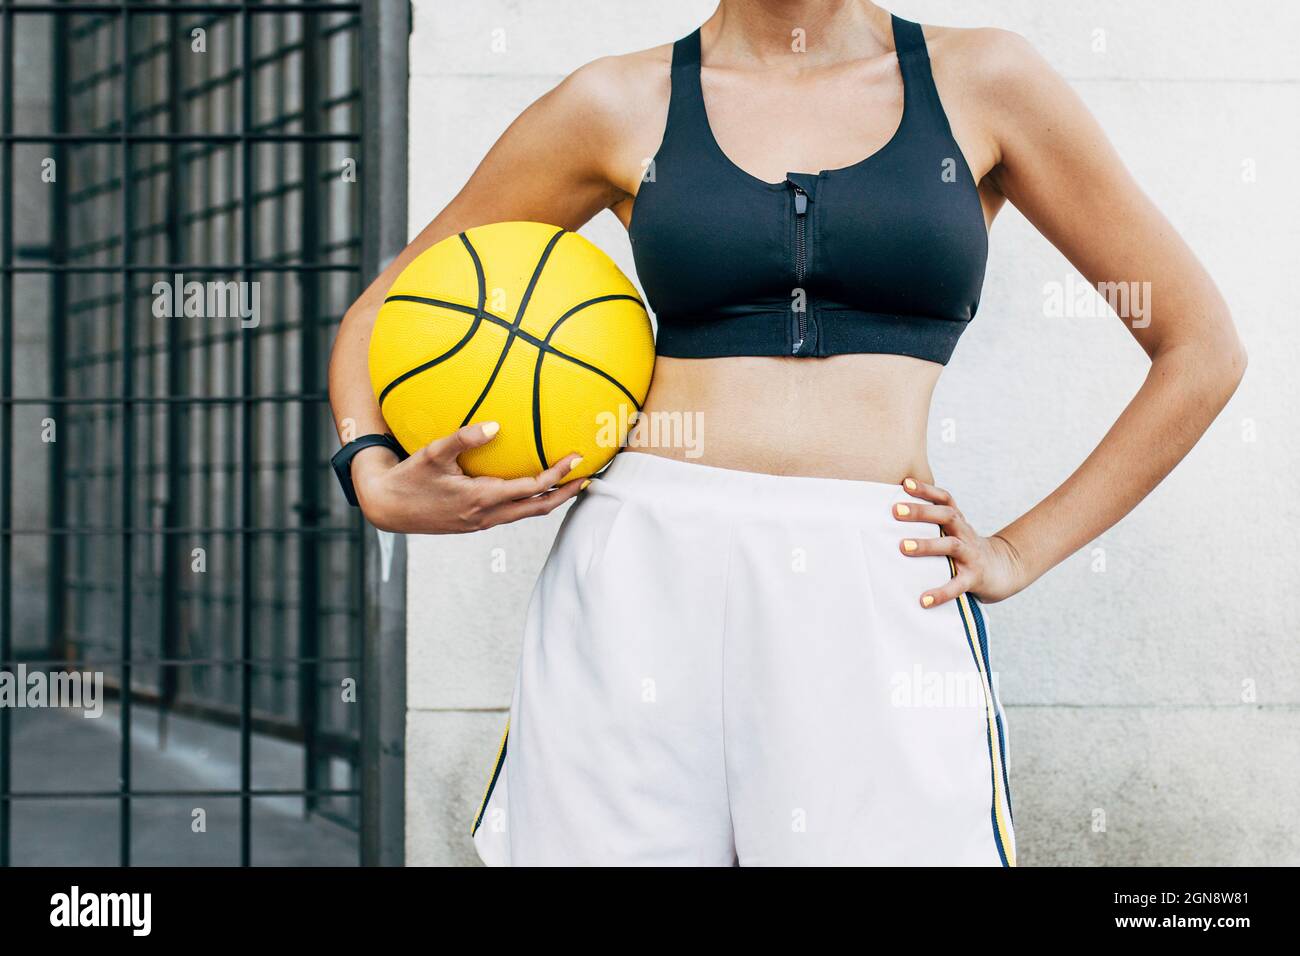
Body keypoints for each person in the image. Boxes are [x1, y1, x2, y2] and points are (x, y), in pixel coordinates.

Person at [327, 1, 1245, 865]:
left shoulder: (986, 80)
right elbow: (385, 310)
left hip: (879, 581)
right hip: (641, 572)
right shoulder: (616, 100)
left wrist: (1018, 550)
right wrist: (370, 470)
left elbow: (1200, 349)